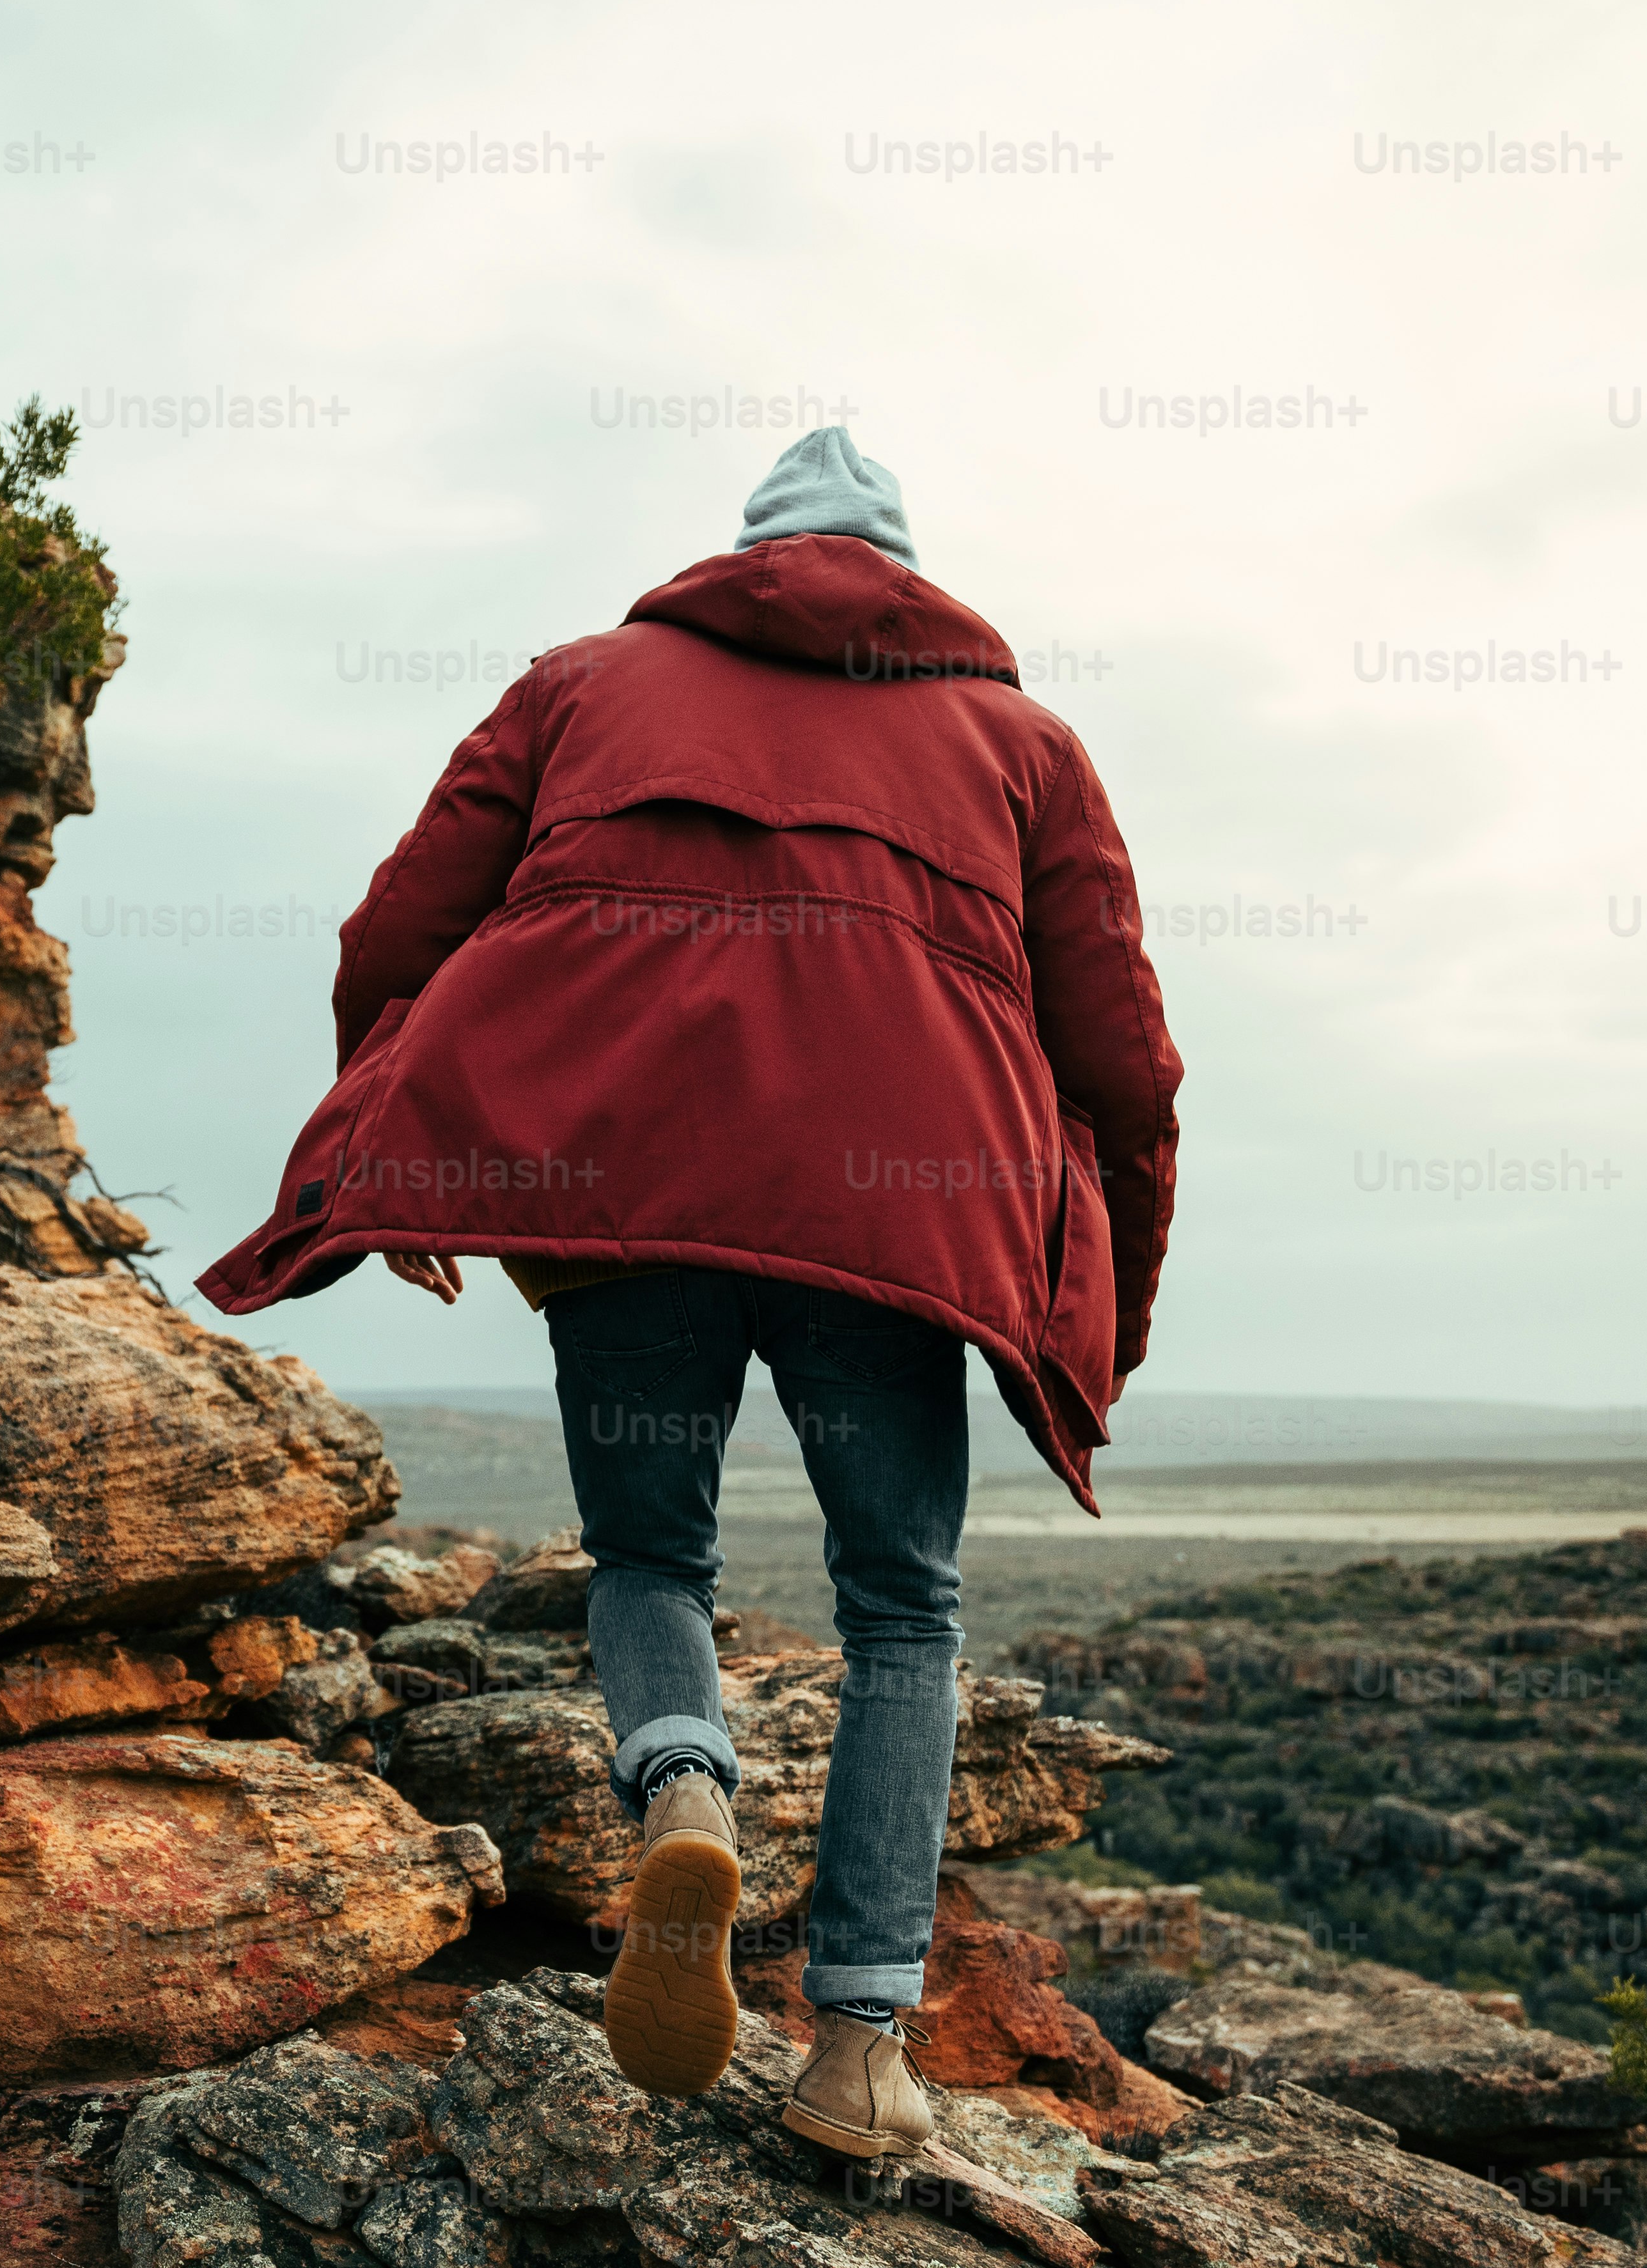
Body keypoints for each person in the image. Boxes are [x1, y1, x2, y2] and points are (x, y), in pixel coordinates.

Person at [198, 427, 1182, 2164]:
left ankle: (684, 1786)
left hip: (620, 1178)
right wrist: (1107, 1305)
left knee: (653, 1557)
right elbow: (1128, 1064)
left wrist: (396, 1140)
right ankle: (858, 2045)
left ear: (743, 556)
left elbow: (393, 932)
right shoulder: (1026, 746)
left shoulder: (584, 685)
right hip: (897, 1215)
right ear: (910, 575)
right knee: (904, 1608)